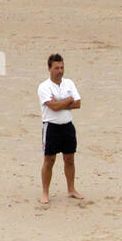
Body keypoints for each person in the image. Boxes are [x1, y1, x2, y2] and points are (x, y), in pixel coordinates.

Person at [38, 53, 83, 204]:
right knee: (49, 160)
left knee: (69, 159)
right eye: (56, 68)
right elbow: (53, 107)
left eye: (62, 67)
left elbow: (78, 103)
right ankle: (45, 192)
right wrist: (68, 100)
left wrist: (60, 102)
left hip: (68, 126)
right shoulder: (44, 87)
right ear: (49, 68)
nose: (60, 71)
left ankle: (71, 189)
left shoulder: (69, 83)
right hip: (51, 127)